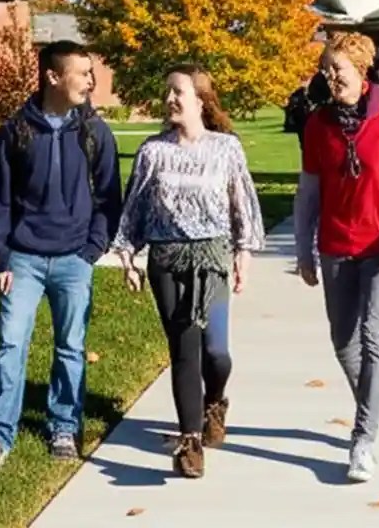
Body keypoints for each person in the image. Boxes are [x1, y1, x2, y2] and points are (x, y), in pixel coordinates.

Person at [0, 40, 124, 471]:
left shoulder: (95, 132)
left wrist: (93, 248)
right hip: (23, 260)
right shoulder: (16, 131)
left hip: (75, 259)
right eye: (82, 72)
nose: (91, 80)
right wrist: (2, 257)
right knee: (10, 345)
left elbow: (110, 197)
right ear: (53, 77)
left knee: (70, 348)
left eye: (91, 72)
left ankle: (63, 426)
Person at [112, 64, 266, 479]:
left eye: (178, 92)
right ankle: (190, 442)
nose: (170, 100)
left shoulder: (226, 149)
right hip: (166, 260)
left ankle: (214, 402)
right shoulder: (153, 151)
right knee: (184, 350)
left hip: (212, 259)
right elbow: (136, 207)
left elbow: (242, 205)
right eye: (167, 92)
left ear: (200, 100)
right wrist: (127, 255)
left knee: (216, 352)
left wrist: (243, 256)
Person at [293, 31, 379, 483]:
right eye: (327, 69)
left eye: (339, 69)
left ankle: (363, 439)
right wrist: (304, 250)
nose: (331, 77)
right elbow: (308, 194)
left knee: (375, 337)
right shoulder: (318, 125)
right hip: (336, 244)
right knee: (343, 340)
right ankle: (372, 404)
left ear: (362, 70)